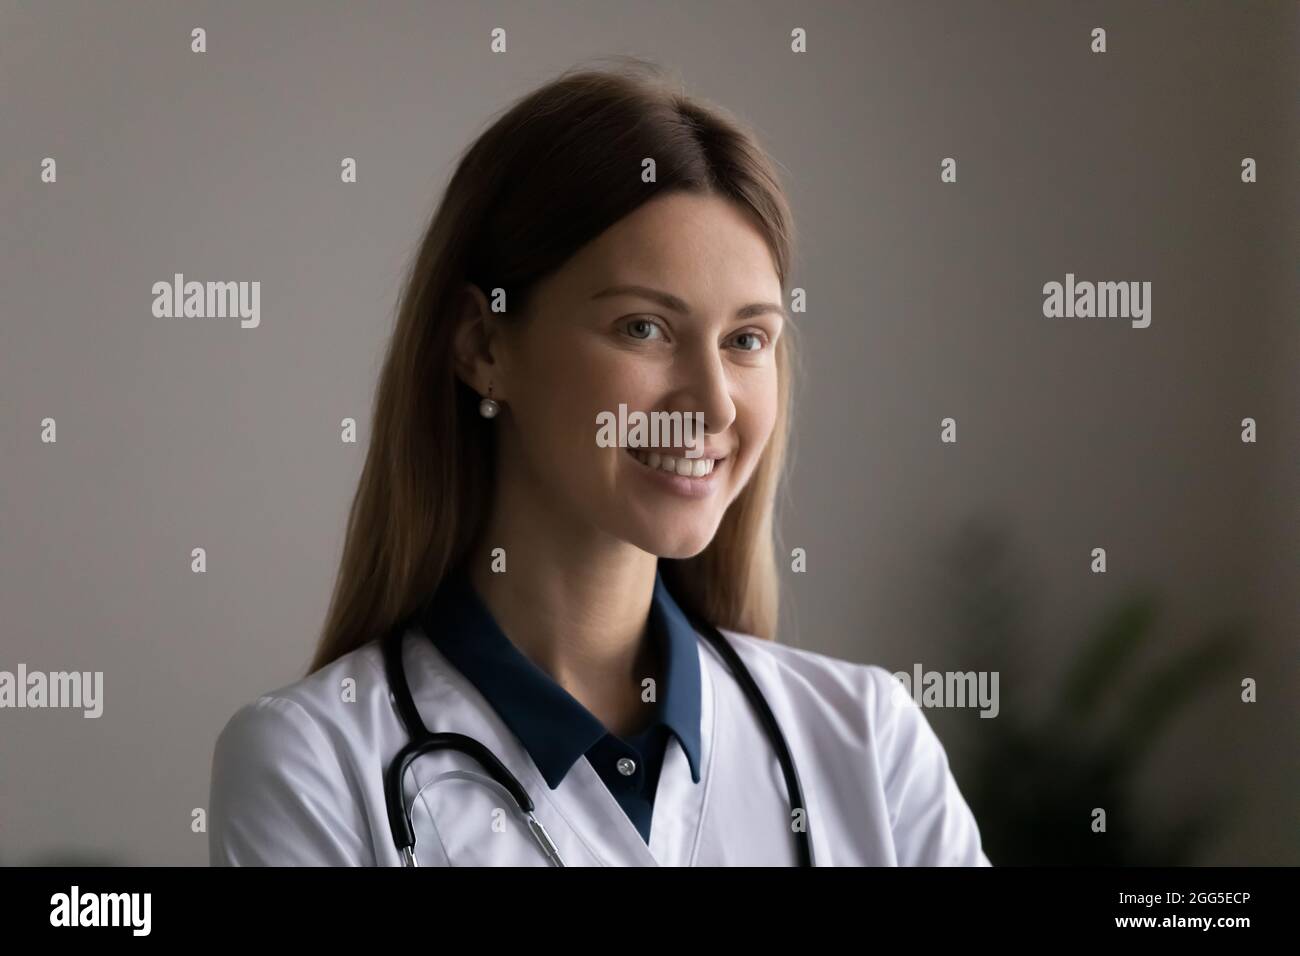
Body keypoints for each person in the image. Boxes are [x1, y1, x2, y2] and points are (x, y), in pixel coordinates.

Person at [208, 57, 991, 867]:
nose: (715, 406)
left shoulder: (870, 743)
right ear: (483, 345)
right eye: (644, 329)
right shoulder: (312, 766)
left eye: (746, 340)